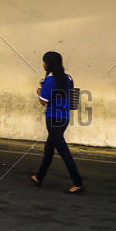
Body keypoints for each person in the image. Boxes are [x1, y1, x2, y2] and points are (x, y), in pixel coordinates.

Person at [31, 50, 84, 194]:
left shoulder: (50, 80)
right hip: (64, 118)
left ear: (48, 64)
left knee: (63, 151)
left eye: (44, 61)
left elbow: (43, 102)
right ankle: (39, 177)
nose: (43, 64)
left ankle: (78, 182)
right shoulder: (68, 78)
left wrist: (39, 92)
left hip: (52, 118)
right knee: (49, 149)